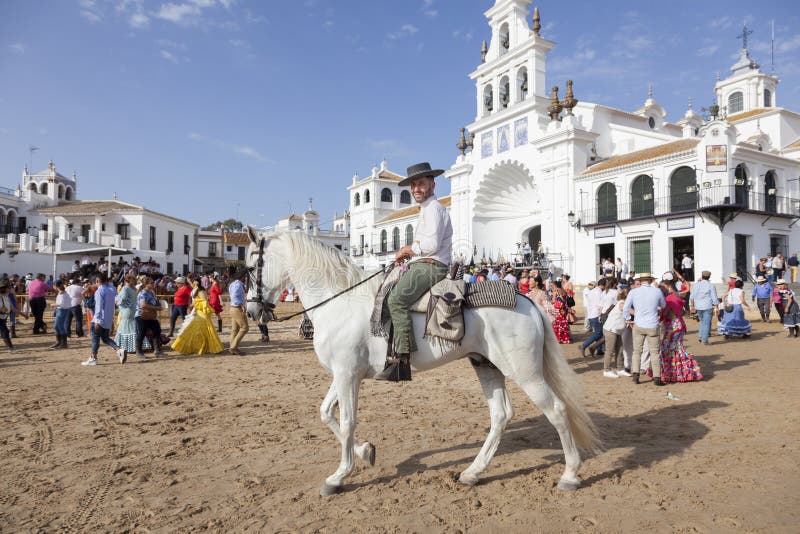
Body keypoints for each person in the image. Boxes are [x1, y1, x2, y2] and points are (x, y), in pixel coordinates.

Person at [376, 162, 453, 382]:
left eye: (421, 184)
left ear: (432, 184)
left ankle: (403, 359)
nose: (416, 188)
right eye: (413, 185)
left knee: (396, 300)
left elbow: (432, 244)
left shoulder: (435, 209)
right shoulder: (426, 210)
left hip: (431, 266)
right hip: (421, 264)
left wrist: (408, 249)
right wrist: (409, 254)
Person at [623, 273, 666, 386]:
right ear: (650, 280)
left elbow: (626, 308)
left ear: (640, 281)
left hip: (639, 323)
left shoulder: (633, 292)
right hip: (652, 324)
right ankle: (657, 377)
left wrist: (628, 319)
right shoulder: (657, 291)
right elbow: (663, 305)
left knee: (637, 351)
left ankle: (636, 375)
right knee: (654, 352)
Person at [658, 279, 703, 383]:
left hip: (672, 326)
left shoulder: (670, 298)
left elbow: (665, 313)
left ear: (668, 286)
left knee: (669, 348)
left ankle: (673, 373)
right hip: (678, 324)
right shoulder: (677, 295)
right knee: (677, 348)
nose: (661, 289)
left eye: (662, 286)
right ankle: (683, 371)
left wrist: (659, 317)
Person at [81, 273, 127, 366]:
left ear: (97, 281)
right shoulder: (112, 289)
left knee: (95, 339)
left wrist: (97, 320)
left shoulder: (100, 291)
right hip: (108, 319)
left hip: (99, 319)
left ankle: (93, 358)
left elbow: (98, 307)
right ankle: (119, 350)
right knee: (105, 338)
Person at [171, 282, 224, 355]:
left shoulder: (200, 291)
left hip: (201, 312)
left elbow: (204, 301)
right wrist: (193, 306)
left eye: (192, 282)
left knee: (200, 329)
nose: (190, 284)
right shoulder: (196, 290)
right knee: (196, 328)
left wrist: (193, 305)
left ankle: (201, 347)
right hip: (199, 311)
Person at [115, 275, 149, 354]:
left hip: (127, 310)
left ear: (125, 281)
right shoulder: (134, 289)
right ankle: (137, 346)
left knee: (125, 327)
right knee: (134, 327)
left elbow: (122, 299)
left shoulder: (125, 288)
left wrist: (117, 301)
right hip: (134, 309)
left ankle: (126, 347)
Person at [601, 288, 629, 378]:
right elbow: (625, 310)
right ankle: (606, 370)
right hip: (611, 329)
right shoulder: (622, 303)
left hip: (617, 330)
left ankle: (620, 369)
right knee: (610, 350)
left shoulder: (624, 302)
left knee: (620, 349)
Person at [135, 277, 163, 358]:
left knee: (157, 330)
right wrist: (156, 308)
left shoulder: (151, 292)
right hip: (142, 315)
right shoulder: (142, 293)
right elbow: (143, 305)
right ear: (146, 284)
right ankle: (139, 352)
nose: (153, 283)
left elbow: (155, 302)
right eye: (151, 282)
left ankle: (157, 350)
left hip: (151, 316)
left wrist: (159, 305)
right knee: (142, 333)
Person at [689, 270, 719, 345]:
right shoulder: (711, 285)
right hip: (707, 306)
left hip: (698, 306)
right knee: (706, 323)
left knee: (703, 321)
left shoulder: (696, 285)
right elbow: (714, 298)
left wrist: (692, 306)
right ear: (709, 277)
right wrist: (717, 307)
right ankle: (704, 340)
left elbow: (692, 297)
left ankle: (701, 336)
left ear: (702, 276)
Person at [580, 278, 606, 357]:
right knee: (598, 333)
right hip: (595, 315)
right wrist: (600, 315)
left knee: (599, 333)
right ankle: (584, 345)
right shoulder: (599, 292)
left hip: (591, 314)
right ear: (603, 285)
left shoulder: (593, 291)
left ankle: (599, 350)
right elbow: (599, 306)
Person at [227, 271, 249, 355]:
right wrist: (241, 304)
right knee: (244, 328)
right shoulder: (238, 285)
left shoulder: (233, 284)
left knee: (235, 329)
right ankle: (233, 347)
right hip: (237, 309)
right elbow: (234, 296)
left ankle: (232, 347)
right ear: (243, 277)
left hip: (233, 308)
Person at [551, 279, 571, 344]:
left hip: (558, 309)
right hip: (564, 309)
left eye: (552, 285)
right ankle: (564, 338)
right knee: (563, 323)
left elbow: (554, 301)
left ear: (555, 286)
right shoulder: (564, 291)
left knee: (557, 323)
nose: (552, 287)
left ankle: (559, 339)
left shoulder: (556, 291)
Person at [51, 280, 70, 349]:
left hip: (62, 310)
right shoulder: (61, 293)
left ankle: (63, 343)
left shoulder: (62, 293)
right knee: (57, 326)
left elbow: (61, 304)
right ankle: (59, 342)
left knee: (60, 326)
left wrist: (53, 304)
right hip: (61, 310)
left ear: (56, 286)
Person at [0, 279, 16, 352]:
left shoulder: (7, 297)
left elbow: (12, 308)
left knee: (5, 331)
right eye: (8, 288)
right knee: (5, 331)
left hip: (3, 317)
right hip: (1, 317)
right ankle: (10, 347)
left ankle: (10, 347)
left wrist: (23, 315)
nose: (9, 289)